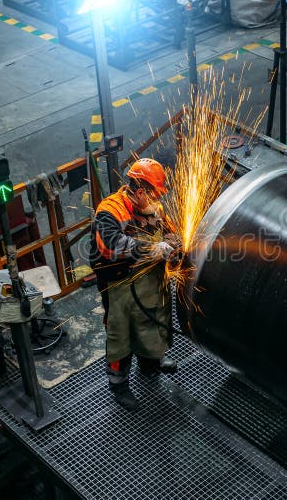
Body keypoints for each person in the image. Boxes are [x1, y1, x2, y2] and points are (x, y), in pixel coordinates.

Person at [90, 158, 179, 410]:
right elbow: (110, 246)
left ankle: (151, 362)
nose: (157, 201)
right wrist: (153, 249)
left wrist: (175, 243)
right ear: (140, 192)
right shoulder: (110, 210)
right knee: (122, 334)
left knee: (152, 320)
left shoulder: (153, 207)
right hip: (118, 284)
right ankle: (119, 385)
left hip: (148, 280)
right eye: (154, 195)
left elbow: (169, 231)